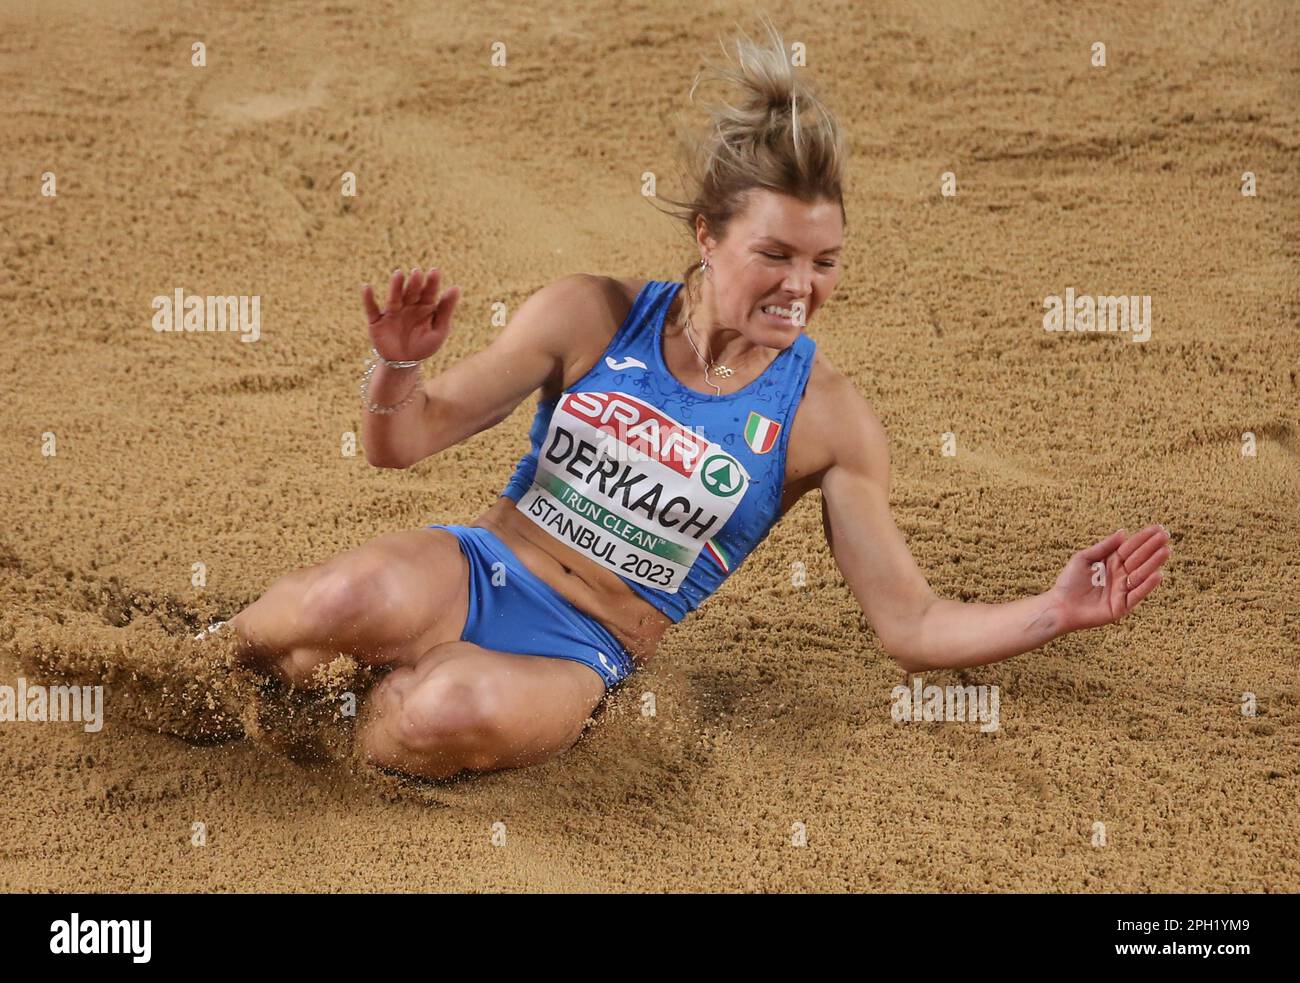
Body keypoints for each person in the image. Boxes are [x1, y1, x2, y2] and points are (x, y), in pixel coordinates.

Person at [217, 22, 1170, 781]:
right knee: (331, 600)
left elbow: (910, 626)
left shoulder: (827, 420)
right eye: (776, 254)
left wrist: (1052, 610)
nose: (803, 285)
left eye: (825, 261)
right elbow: (402, 443)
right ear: (708, 237)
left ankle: (328, 735)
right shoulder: (590, 314)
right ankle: (203, 676)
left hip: (580, 648)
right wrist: (396, 371)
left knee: (433, 713)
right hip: (482, 563)